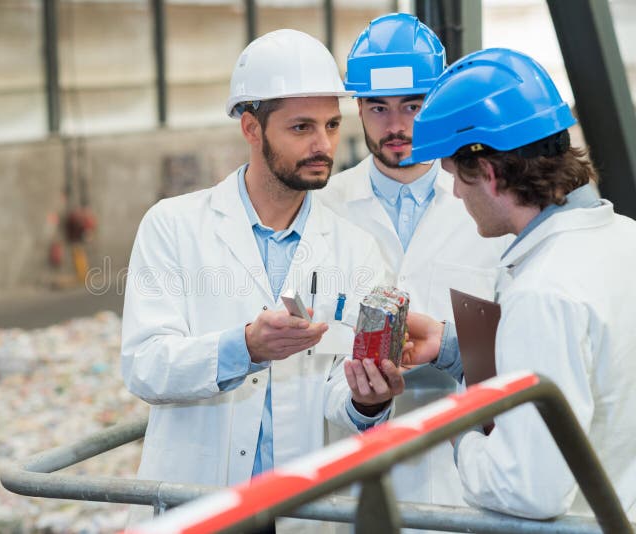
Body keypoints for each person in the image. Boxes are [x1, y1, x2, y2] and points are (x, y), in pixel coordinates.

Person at [121, 29, 404, 531]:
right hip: (201, 502)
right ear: (251, 128)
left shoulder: (355, 249)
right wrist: (245, 347)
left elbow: (338, 391)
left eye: (332, 125)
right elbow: (146, 366)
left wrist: (368, 399)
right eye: (301, 128)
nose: (323, 145)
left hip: (303, 510)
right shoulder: (173, 227)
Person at [402, 47, 636, 520]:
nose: (455, 193)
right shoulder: (625, 238)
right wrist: (455, 348)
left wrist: (460, 429)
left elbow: (529, 489)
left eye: (456, 177)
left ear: (489, 173)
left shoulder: (542, 292)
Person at [318, 13, 507, 517]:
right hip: (360, 473)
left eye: (413, 106)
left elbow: (518, 341)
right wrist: (362, 403)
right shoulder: (324, 209)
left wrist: (454, 348)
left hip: (465, 471)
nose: (396, 125)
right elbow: (314, 364)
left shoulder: (489, 206)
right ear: (358, 108)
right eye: (378, 107)